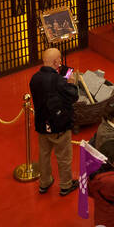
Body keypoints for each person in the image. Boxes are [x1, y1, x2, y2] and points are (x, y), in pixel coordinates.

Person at [29, 47, 78, 195]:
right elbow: (73, 96)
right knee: (63, 156)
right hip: (59, 124)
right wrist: (71, 83)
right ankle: (65, 185)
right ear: (57, 62)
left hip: (42, 123)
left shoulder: (34, 78)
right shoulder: (58, 81)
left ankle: (44, 182)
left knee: (44, 155)